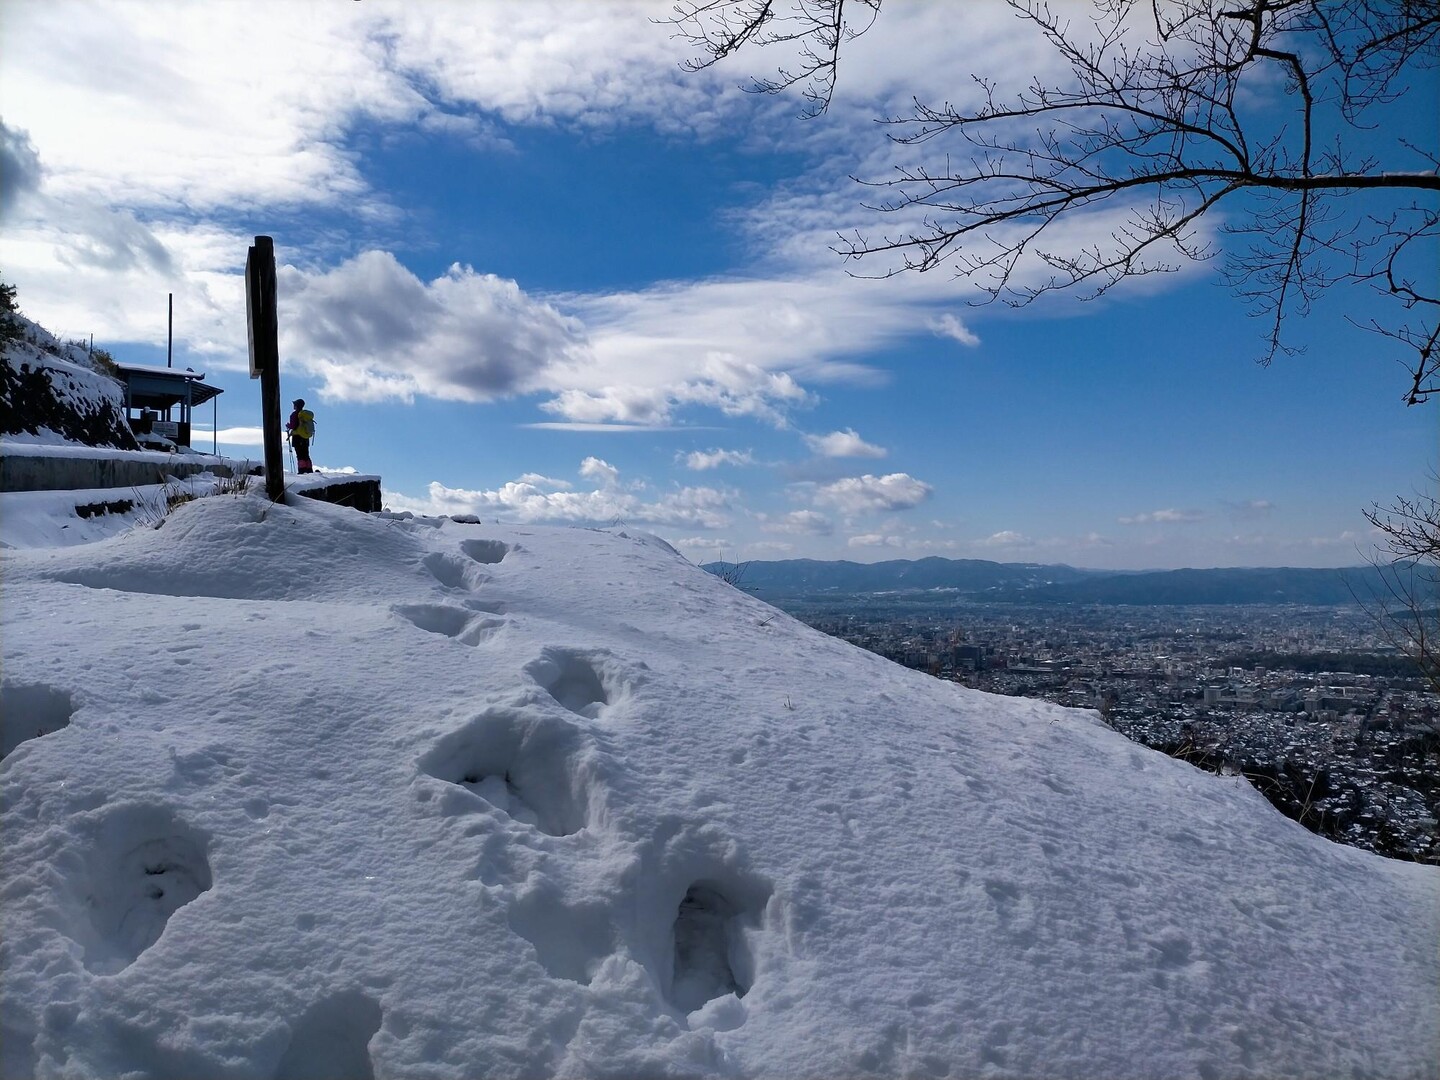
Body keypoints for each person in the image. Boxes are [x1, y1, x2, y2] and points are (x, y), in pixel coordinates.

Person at [286, 398, 316, 474]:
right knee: (306, 454)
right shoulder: (305, 415)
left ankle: (302, 470)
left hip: (297, 437)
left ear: (296, 405)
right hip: (305, 437)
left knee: (299, 454)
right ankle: (309, 470)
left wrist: (288, 425)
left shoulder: (294, 414)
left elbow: (292, 426)